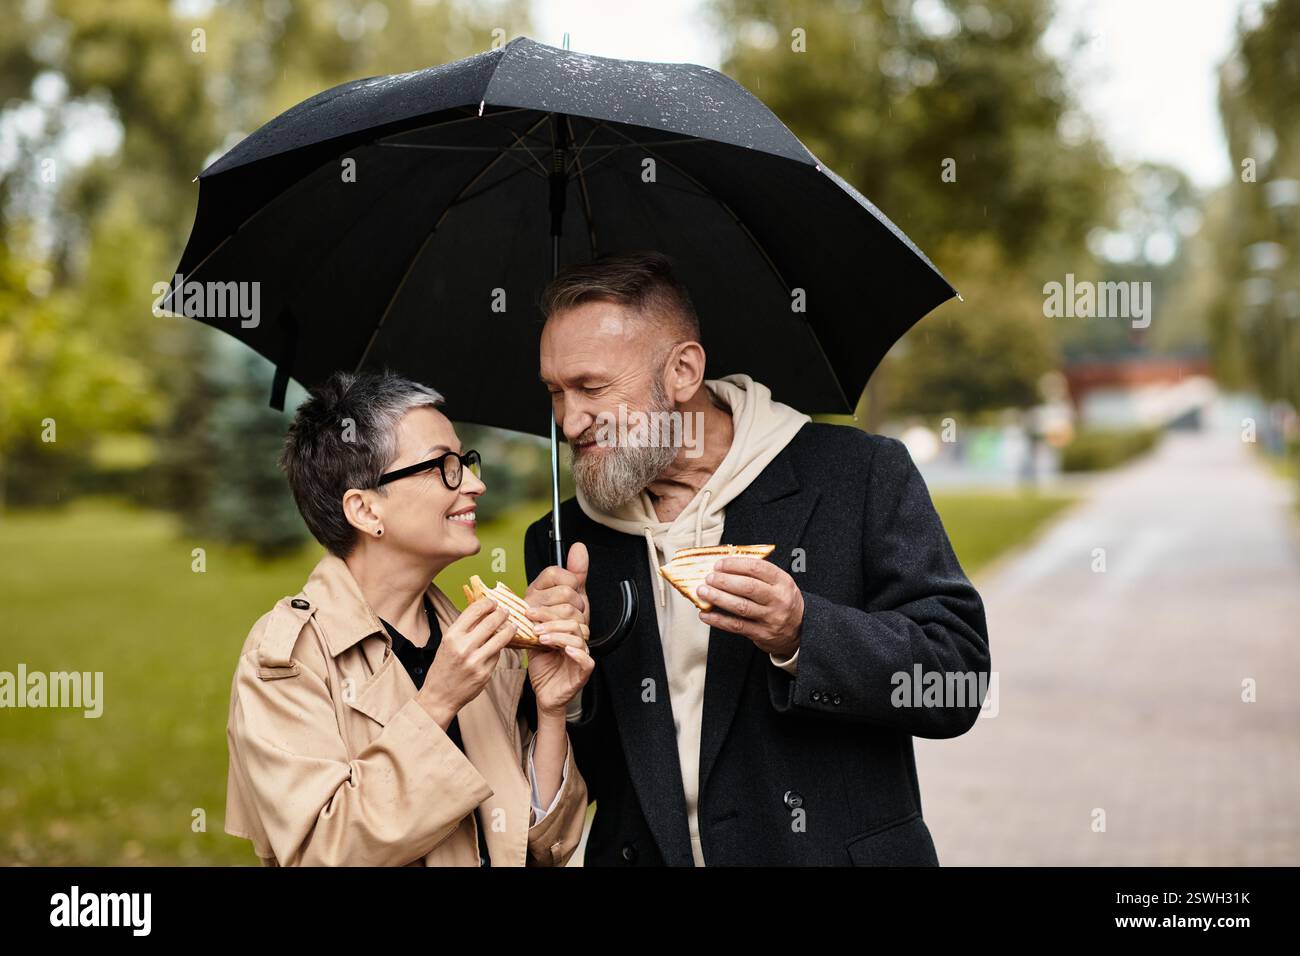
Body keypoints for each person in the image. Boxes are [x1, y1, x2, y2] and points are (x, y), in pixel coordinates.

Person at [522, 251, 991, 866]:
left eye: (591, 387)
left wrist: (805, 633)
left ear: (684, 370)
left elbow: (955, 683)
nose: (569, 419)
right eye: (555, 392)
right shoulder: (561, 541)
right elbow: (594, 777)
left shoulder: (858, 473)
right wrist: (565, 700)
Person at [224, 370, 592, 866]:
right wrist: (437, 702)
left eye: (466, 461)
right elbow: (323, 853)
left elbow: (541, 847)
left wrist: (550, 710)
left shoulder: (479, 642)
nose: (476, 484)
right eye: (444, 467)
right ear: (365, 509)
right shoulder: (288, 658)